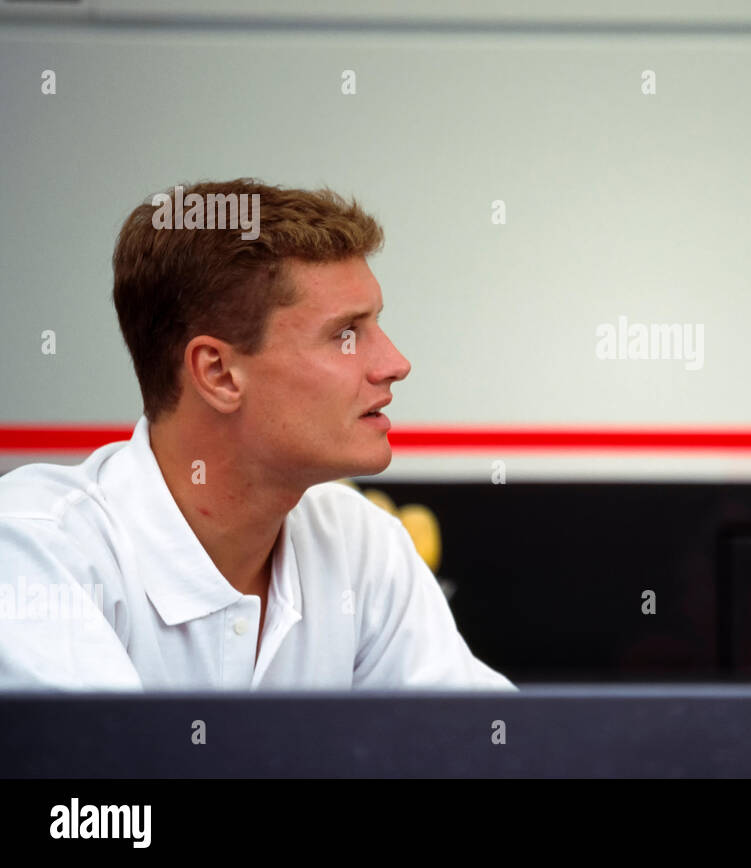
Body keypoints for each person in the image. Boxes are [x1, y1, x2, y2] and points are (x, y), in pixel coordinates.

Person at [0, 179, 512, 691]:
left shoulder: (360, 541)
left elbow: (491, 753)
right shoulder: (33, 547)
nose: (395, 365)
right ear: (218, 373)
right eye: (346, 335)